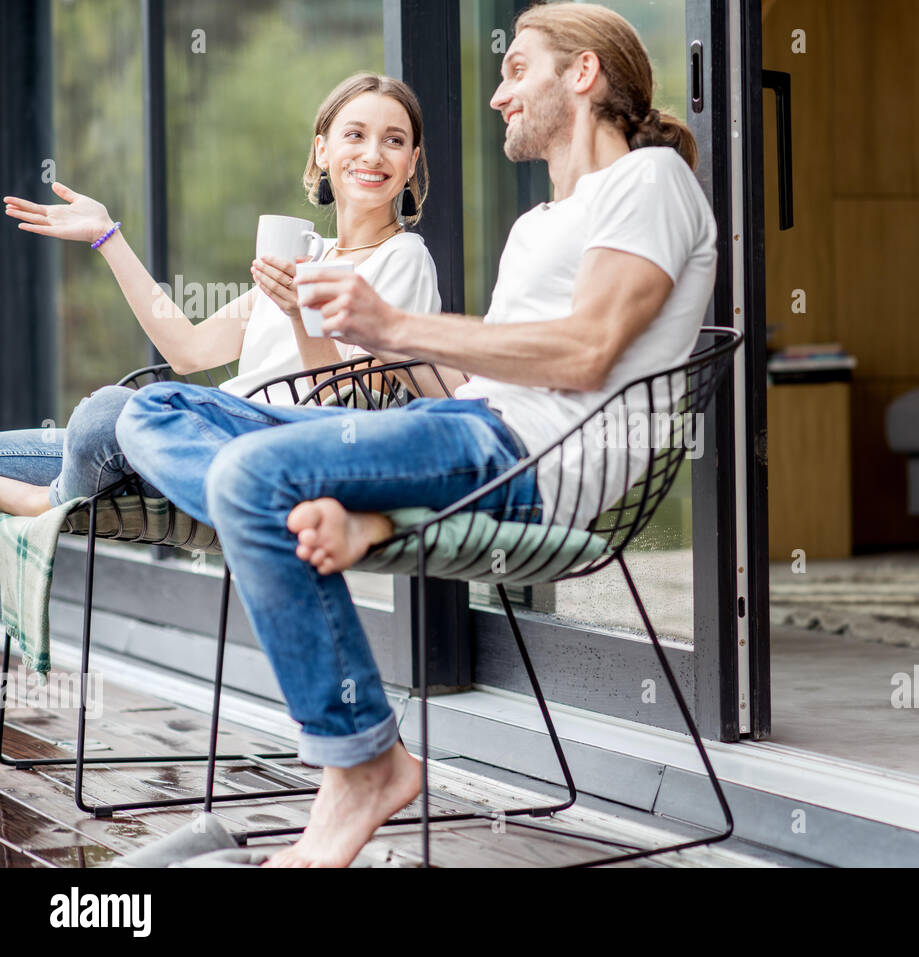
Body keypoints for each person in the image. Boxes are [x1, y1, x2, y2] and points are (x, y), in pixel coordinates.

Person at [116, 2, 718, 867]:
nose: (497, 96)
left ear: (581, 74)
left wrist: (393, 326)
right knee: (152, 411)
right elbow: (470, 385)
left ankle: (366, 759)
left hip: (526, 456)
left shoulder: (649, 181)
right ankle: (351, 512)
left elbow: (586, 352)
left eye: (517, 70)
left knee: (249, 477)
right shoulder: (539, 223)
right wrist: (358, 344)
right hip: (461, 428)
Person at [0, 72, 441, 517]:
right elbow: (187, 352)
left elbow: (343, 413)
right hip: (201, 439)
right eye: (355, 134)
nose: (373, 154)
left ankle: (50, 502)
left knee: (106, 414)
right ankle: (88, 480)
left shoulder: (403, 258)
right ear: (322, 151)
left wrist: (300, 313)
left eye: (394, 141)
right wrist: (107, 236)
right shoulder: (310, 255)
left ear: (411, 160)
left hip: (267, 453)